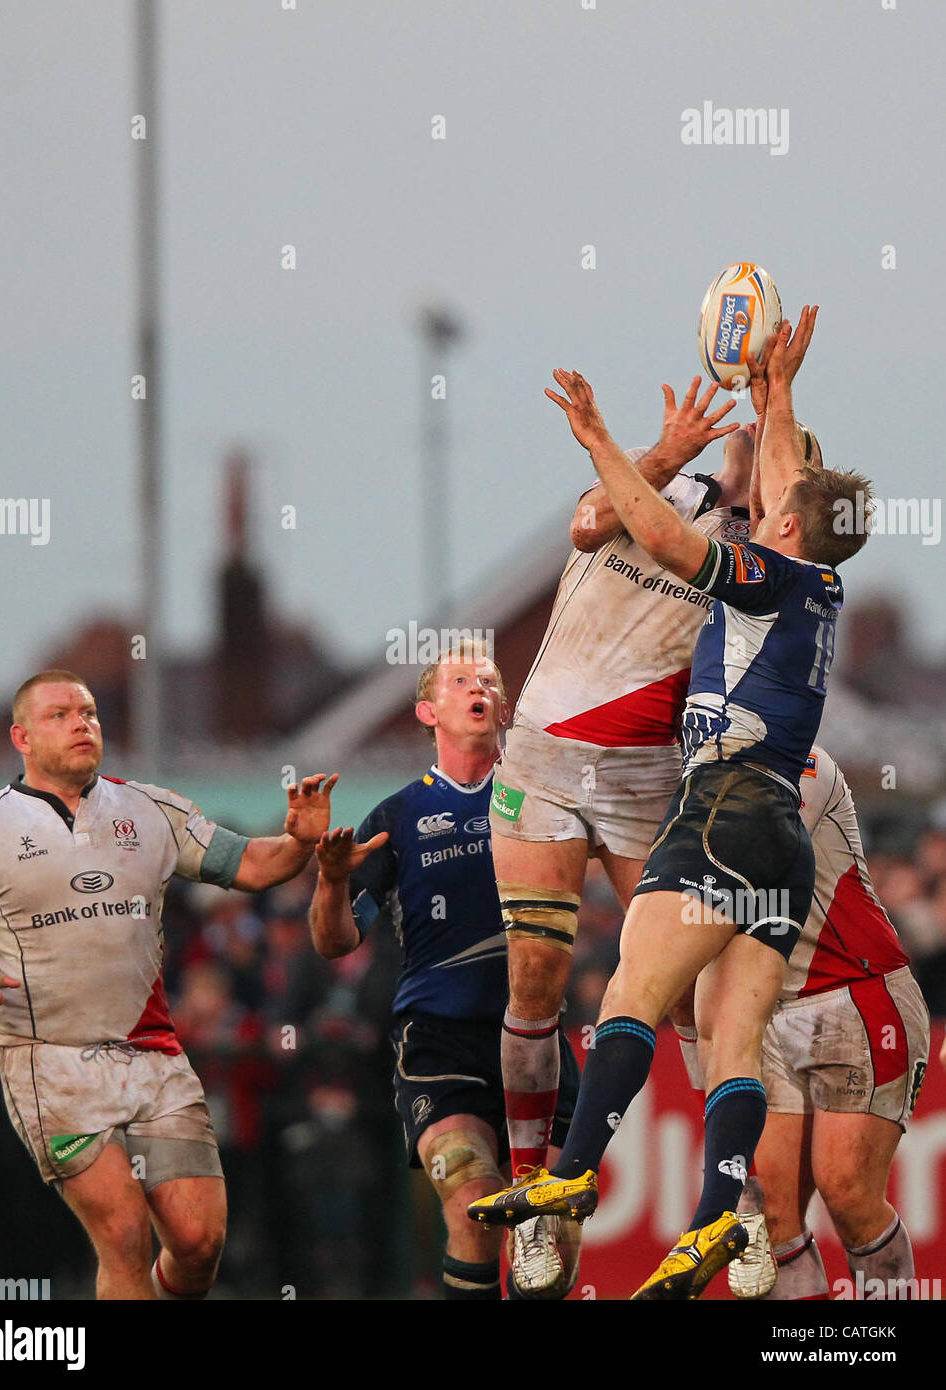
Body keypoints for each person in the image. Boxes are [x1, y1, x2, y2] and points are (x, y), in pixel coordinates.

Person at [470, 311, 876, 1301]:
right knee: (730, 1037)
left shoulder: (760, 575)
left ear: (783, 516)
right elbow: (711, 497)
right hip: (771, 835)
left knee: (629, 999)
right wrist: (775, 388)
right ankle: (713, 1220)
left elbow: (657, 532)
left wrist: (601, 437)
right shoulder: (812, 581)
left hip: (716, 808)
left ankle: (565, 1178)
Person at [0, 669, 337, 1300]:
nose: (82, 724)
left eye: (90, 712)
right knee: (123, 1232)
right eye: (61, 715)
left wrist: (298, 842)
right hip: (50, 1062)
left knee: (199, 1243)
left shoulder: (150, 809)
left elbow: (255, 866)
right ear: (20, 736)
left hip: (153, 1055)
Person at [493, 377, 755, 1184]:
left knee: (684, 994)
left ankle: (730, 1204)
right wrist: (670, 449)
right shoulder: (655, 480)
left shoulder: (761, 558)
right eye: (741, 435)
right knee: (537, 975)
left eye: (769, 440)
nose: (745, 438)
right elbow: (585, 525)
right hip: (545, 756)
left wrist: (778, 396)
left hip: (649, 777)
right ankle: (533, 1183)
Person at [307, 646, 582, 1299]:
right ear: (429, 710)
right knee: (474, 1207)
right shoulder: (395, 819)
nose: (478, 686)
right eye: (461, 680)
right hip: (439, 1039)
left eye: (490, 679)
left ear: (505, 708)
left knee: (551, 1254)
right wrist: (330, 878)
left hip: (538, 1037)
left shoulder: (542, 798)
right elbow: (335, 941)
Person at [717, 746, 930, 1301]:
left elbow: (754, 853)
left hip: (857, 995)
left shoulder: (799, 759)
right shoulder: (681, 776)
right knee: (774, 1215)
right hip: (767, 1008)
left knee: (849, 1192)